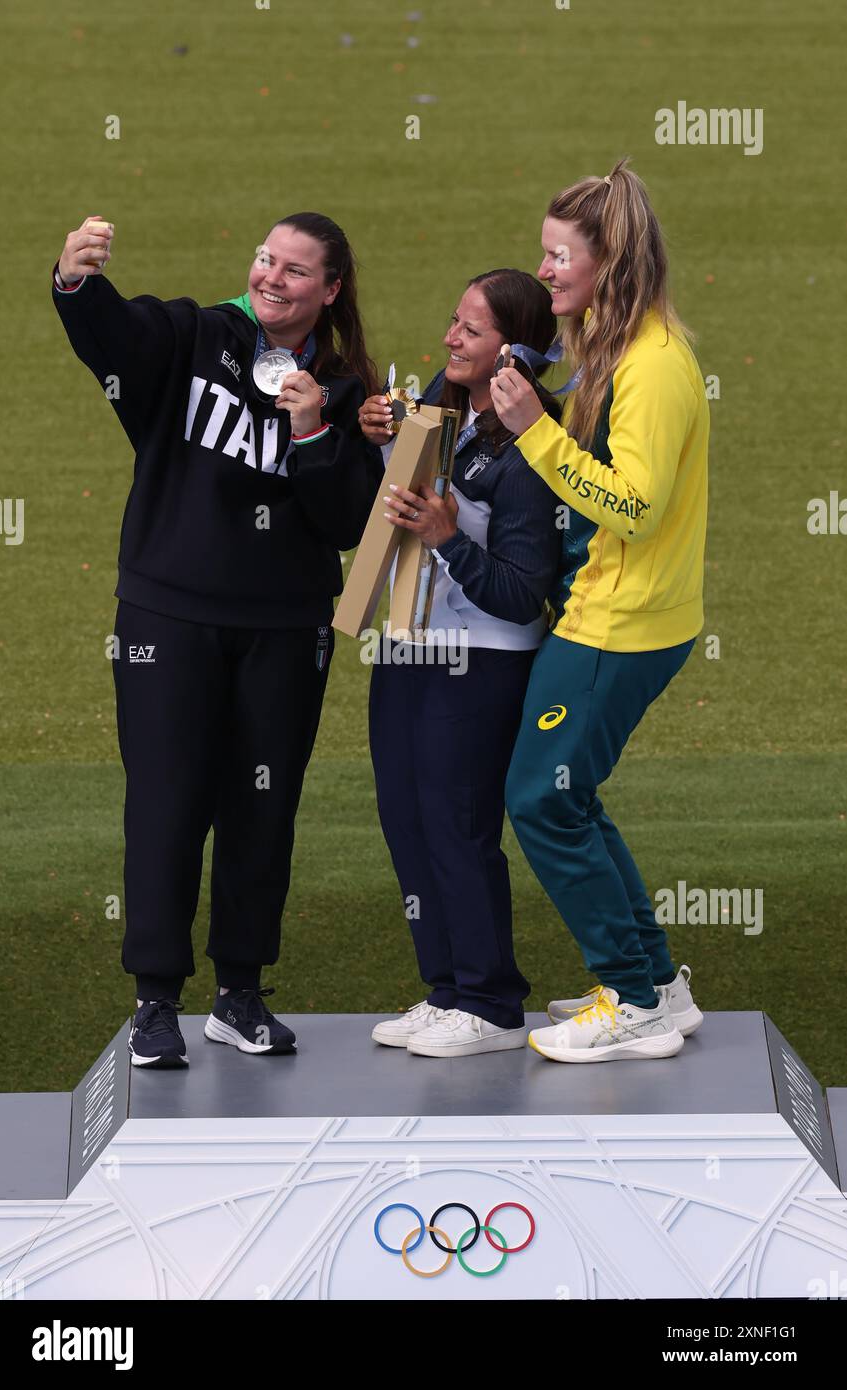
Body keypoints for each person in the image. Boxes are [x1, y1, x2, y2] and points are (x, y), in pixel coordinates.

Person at [53, 212, 383, 1068]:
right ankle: (154, 1002)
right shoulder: (194, 334)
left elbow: (350, 521)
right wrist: (76, 281)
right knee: (166, 803)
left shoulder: (348, 392)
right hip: (170, 617)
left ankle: (240, 994)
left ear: (331, 290)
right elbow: (112, 338)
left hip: (285, 630)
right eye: (267, 259)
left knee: (262, 811)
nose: (274, 277)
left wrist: (314, 430)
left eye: (298, 270)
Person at [492, 158, 708, 1064]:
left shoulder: (651, 366)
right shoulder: (620, 348)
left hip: (620, 626)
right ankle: (652, 982)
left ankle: (631, 996)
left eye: (558, 256)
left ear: (607, 262)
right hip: (620, 614)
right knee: (571, 795)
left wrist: (533, 432)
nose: (543, 272)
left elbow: (633, 505)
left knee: (540, 801)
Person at [360, 269, 566, 1058]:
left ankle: (491, 1002)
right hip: (409, 644)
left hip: (480, 662)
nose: (450, 337)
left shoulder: (528, 449)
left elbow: (521, 593)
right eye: (453, 321)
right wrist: (374, 435)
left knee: (456, 826)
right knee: (404, 818)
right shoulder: (441, 418)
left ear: (514, 350)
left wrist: (448, 536)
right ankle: (445, 989)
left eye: (471, 331)